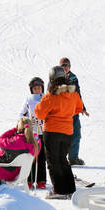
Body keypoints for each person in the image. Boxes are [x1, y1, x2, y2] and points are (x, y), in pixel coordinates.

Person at [34, 66, 85, 199]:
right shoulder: (73, 94)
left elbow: (39, 113)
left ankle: (58, 190)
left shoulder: (51, 96)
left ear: (52, 79)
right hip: (68, 131)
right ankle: (69, 189)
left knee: (53, 161)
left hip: (52, 131)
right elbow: (78, 108)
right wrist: (66, 115)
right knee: (63, 160)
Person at [59, 57, 89, 165]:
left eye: (67, 65)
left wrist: (82, 108)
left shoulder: (73, 78)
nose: (65, 67)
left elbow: (78, 94)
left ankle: (73, 158)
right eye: (63, 65)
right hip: (62, 113)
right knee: (61, 137)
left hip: (73, 112)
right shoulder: (56, 77)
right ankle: (60, 158)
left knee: (76, 135)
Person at [21, 76, 47, 189]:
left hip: (43, 131)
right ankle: (30, 179)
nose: (38, 90)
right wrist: (27, 122)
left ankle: (41, 180)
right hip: (32, 133)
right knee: (31, 156)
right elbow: (22, 114)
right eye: (35, 88)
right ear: (32, 89)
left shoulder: (46, 98)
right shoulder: (29, 100)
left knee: (42, 157)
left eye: (39, 88)